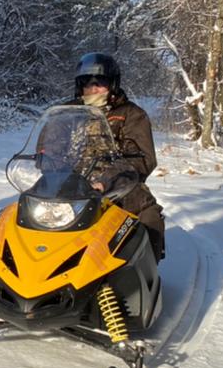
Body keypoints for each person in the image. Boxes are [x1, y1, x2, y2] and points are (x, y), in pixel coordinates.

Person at [71, 52, 165, 260]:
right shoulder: (68, 112)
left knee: (147, 212)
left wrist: (107, 180)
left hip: (118, 183)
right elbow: (50, 146)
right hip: (72, 182)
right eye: (87, 83)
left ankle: (146, 264)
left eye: (100, 82)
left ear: (112, 85)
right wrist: (46, 161)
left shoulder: (132, 114)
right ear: (80, 86)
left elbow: (142, 158)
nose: (93, 88)